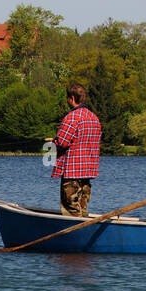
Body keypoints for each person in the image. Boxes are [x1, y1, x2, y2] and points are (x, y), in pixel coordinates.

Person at [51, 82, 101, 216]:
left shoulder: (72, 117)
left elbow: (62, 142)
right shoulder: (94, 118)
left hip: (72, 172)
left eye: (68, 98)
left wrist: (53, 141)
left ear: (72, 98)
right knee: (83, 209)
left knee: (71, 209)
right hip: (87, 172)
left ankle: (71, 234)